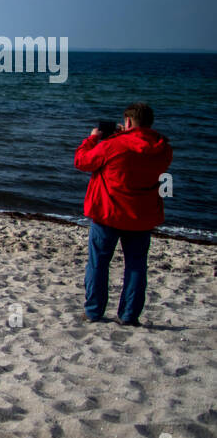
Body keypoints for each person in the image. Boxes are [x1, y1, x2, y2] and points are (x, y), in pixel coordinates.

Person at [73, 102, 173, 325]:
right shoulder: (163, 149)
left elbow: (82, 161)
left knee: (98, 263)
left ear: (127, 121)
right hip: (141, 215)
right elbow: (139, 155)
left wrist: (93, 139)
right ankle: (129, 315)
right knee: (136, 266)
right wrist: (123, 136)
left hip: (108, 212)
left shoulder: (113, 145)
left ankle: (94, 311)